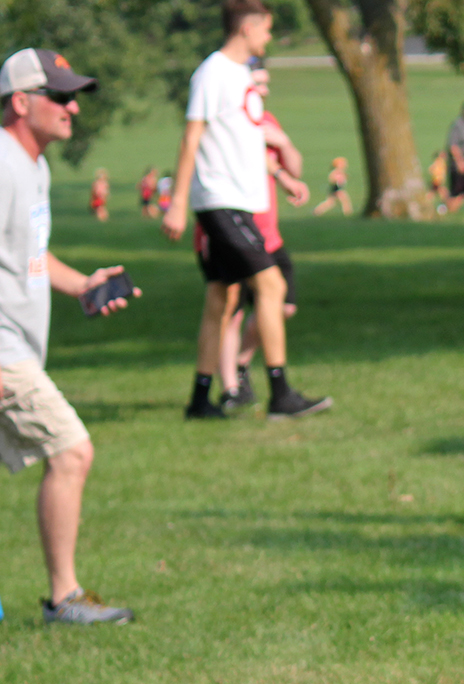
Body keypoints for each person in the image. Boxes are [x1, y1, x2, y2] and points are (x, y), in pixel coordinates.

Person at [0, 48, 139, 625]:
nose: (73, 108)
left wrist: (82, 285)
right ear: (22, 102)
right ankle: (63, 599)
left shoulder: (32, 166)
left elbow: (26, 253)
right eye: (61, 96)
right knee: (71, 452)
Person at [163, 0, 329, 422]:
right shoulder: (213, 73)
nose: (268, 38)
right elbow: (191, 138)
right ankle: (281, 395)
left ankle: (200, 401)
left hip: (243, 203)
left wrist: (282, 177)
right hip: (220, 201)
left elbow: (244, 142)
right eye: (266, 29)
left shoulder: (241, 77)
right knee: (272, 286)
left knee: (221, 297)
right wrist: (178, 203)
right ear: (247, 28)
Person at [214, 61, 311, 411]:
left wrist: (282, 142)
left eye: (266, 83)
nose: (265, 90)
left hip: (269, 233)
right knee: (231, 310)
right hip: (235, 228)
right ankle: (231, 388)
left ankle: (242, 363)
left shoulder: (267, 122)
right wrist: (281, 176)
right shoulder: (231, 124)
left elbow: (294, 166)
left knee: (284, 305)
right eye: (259, 83)